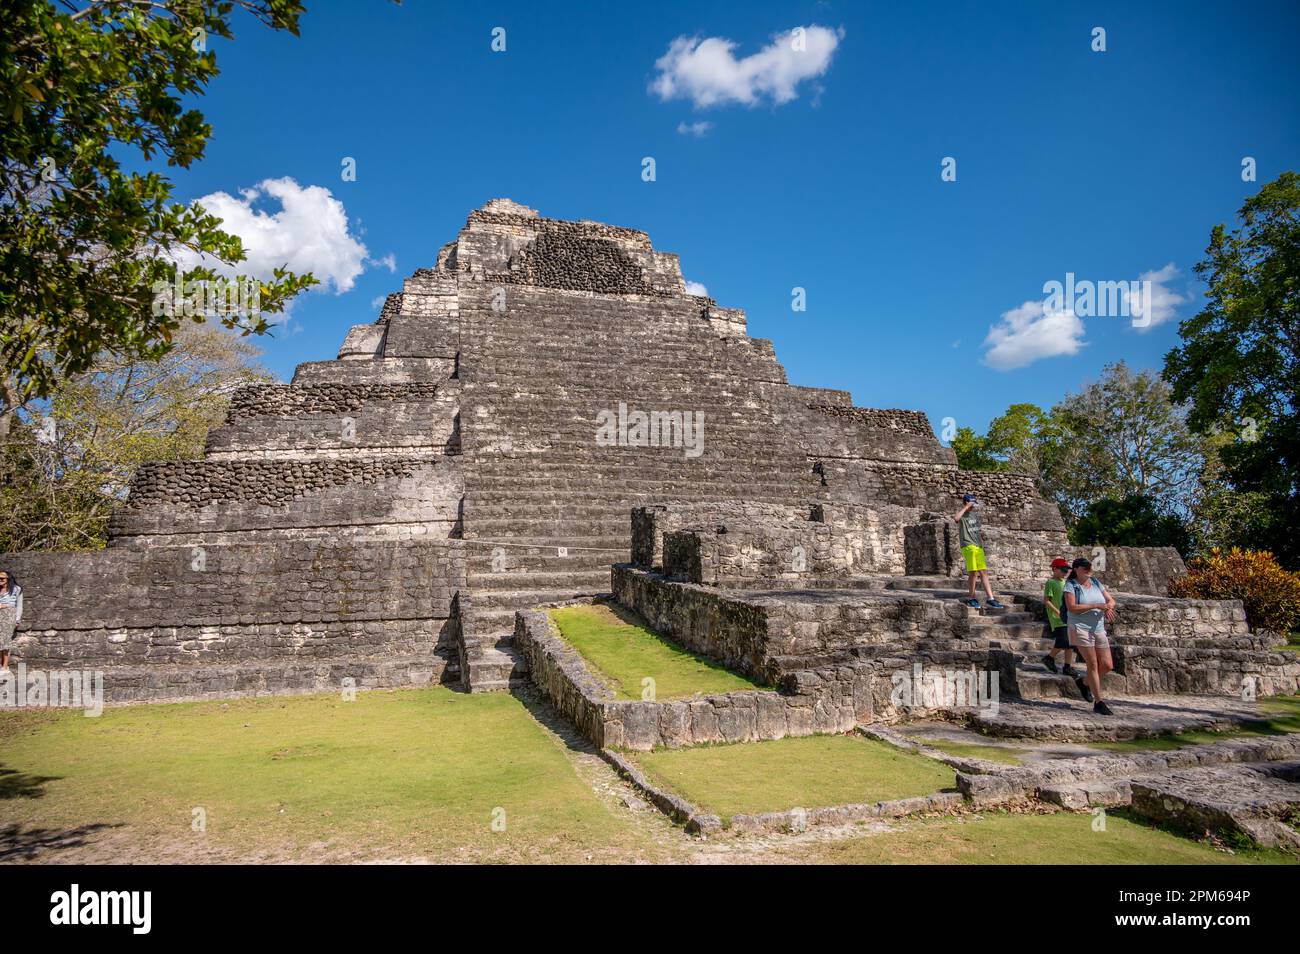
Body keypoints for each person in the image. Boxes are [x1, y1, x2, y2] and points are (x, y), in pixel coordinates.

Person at [1062, 557, 1117, 716]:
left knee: (1107, 665)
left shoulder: (1096, 582)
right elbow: (1071, 607)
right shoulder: (1071, 586)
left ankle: (1084, 682)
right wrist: (1096, 605)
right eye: (1085, 567)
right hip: (1080, 628)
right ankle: (1099, 702)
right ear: (1076, 569)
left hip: (1098, 628)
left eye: (1089, 567)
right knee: (1092, 663)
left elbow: (1110, 599)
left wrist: (1109, 607)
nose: (1088, 570)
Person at [1041, 557, 1086, 693]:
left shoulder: (1066, 583)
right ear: (1054, 569)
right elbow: (1047, 601)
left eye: (1067, 570)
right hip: (1058, 617)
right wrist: (1058, 612)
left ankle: (1067, 666)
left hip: (1068, 617)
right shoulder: (1051, 582)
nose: (1065, 572)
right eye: (1063, 569)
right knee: (1063, 641)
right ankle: (1049, 658)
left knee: (1071, 643)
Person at [954, 493, 1005, 610]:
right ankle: (972, 597)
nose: (973, 507)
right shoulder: (963, 514)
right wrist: (966, 507)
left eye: (973, 505)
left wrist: (981, 544)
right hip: (968, 546)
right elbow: (956, 519)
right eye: (971, 504)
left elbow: (977, 532)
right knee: (973, 573)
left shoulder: (975, 516)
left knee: (984, 572)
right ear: (966, 503)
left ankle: (991, 598)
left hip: (978, 546)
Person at [0, 569, 21, 677]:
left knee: (6, 641)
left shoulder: (16, 589)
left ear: (8, 579)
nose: (0, 580)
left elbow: (19, 605)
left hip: (9, 617)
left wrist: (17, 620)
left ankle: (5, 666)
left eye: (2, 578)